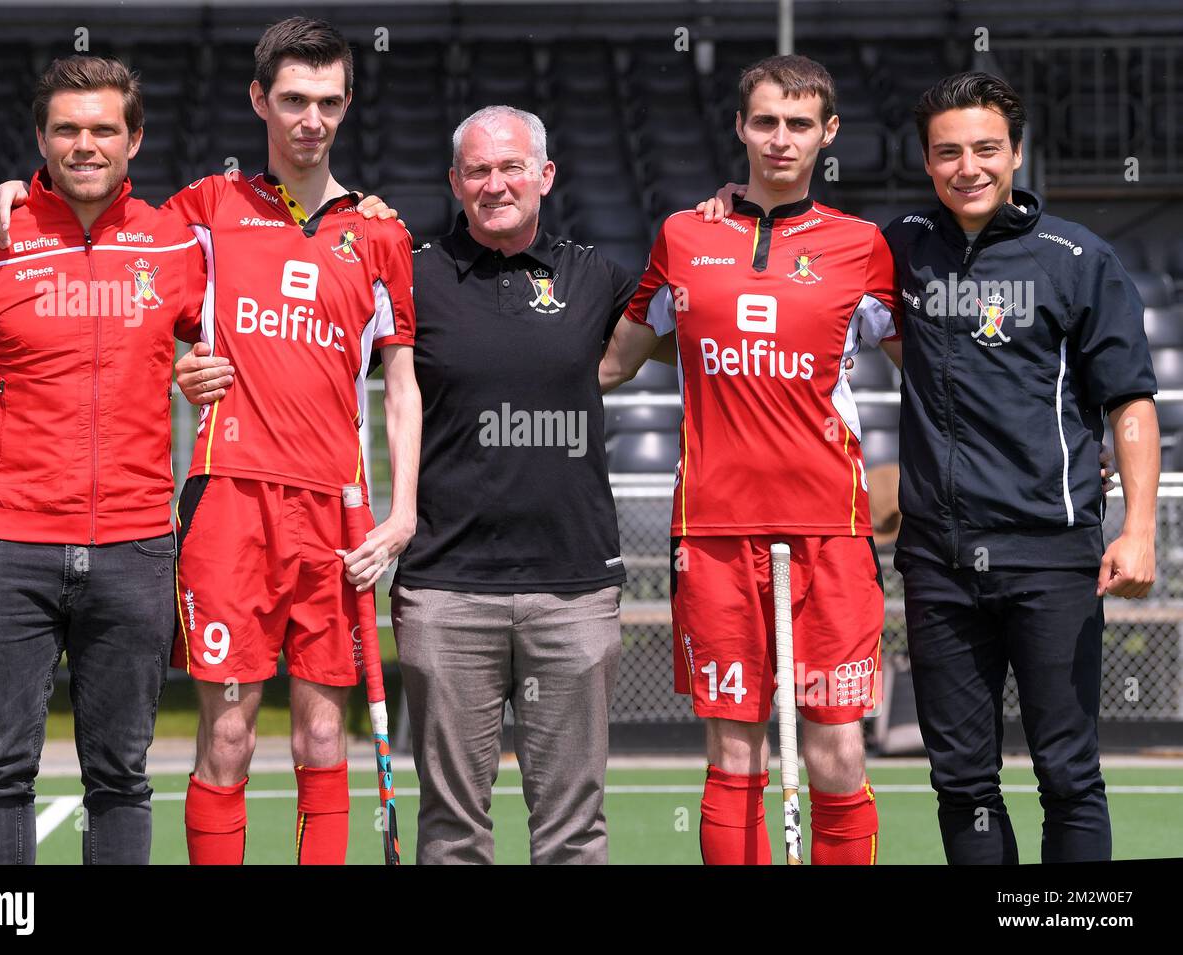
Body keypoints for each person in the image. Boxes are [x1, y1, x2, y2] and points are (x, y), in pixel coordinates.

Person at [0, 18, 419, 865]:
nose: (310, 121)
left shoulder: (382, 234)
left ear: (348, 105)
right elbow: (104, 231)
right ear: (260, 100)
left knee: (324, 734)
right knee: (229, 736)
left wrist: (400, 513)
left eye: (328, 102)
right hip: (229, 505)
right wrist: (19, 192)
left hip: (335, 510)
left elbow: (400, 384)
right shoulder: (207, 209)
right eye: (292, 100)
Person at [181, 105, 643, 865]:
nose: (497, 185)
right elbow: (305, 345)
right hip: (445, 588)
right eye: (479, 171)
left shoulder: (595, 277)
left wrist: (725, 213)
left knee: (573, 832)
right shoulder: (409, 267)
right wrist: (193, 366)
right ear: (455, 182)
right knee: (452, 830)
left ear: (546, 176)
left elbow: (678, 325)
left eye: (513, 167)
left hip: (574, 587)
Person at [0, 56, 206, 864]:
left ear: (134, 139)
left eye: (104, 128)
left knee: (121, 775)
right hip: (5, 550)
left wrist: (369, 211)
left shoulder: (174, 243)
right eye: (66, 128)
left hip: (137, 546)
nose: (85, 143)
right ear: (40, 136)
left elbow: (252, 302)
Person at [599, 54, 900, 865]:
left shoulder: (863, 246)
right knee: (734, 759)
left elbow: (936, 375)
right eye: (764, 121)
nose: (781, 138)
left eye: (800, 124)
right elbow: (612, 361)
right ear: (739, 127)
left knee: (837, 754)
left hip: (830, 534)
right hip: (714, 532)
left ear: (828, 133)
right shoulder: (683, 235)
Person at [881, 72, 1159, 863]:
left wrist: (1138, 530)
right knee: (961, 779)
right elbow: (807, 260)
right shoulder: (898, 245)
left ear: (1017, 152)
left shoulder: (1078, 258)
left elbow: (1130, 402)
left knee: (1068, 773)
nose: (966, 166)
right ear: (928, 161)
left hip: (1054, 550)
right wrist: (739, 199)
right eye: (947, 152)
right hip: (938, 560)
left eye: (984, 148)